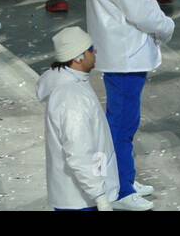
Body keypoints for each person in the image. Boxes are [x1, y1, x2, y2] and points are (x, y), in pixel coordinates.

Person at [80, 0, 175, 211]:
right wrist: (166, 26)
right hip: (125, 53)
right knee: (121, 125)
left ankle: (124, 178)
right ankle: (119, 192)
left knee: (121, 123)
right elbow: (139, 10)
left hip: (118, 50)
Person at [36, 26, 120, 211]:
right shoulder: (71, 97)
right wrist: (100, 196)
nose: (94, 52)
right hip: (81, 200)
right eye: (90, 49)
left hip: (82, 194)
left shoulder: (74, 83)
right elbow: (79, 152)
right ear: (78, 57)